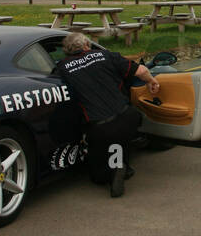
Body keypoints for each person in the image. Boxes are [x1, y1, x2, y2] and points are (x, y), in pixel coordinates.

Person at [52, 32, 161, 197]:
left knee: (97, 175)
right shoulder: (104, 55)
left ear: (67, 51)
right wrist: (152, 81)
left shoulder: (61, 68)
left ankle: (112, 171)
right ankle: (121, 165)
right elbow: (141, 71)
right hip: (127, 117)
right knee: (120, 138)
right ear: (87, 45)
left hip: (99, 127)